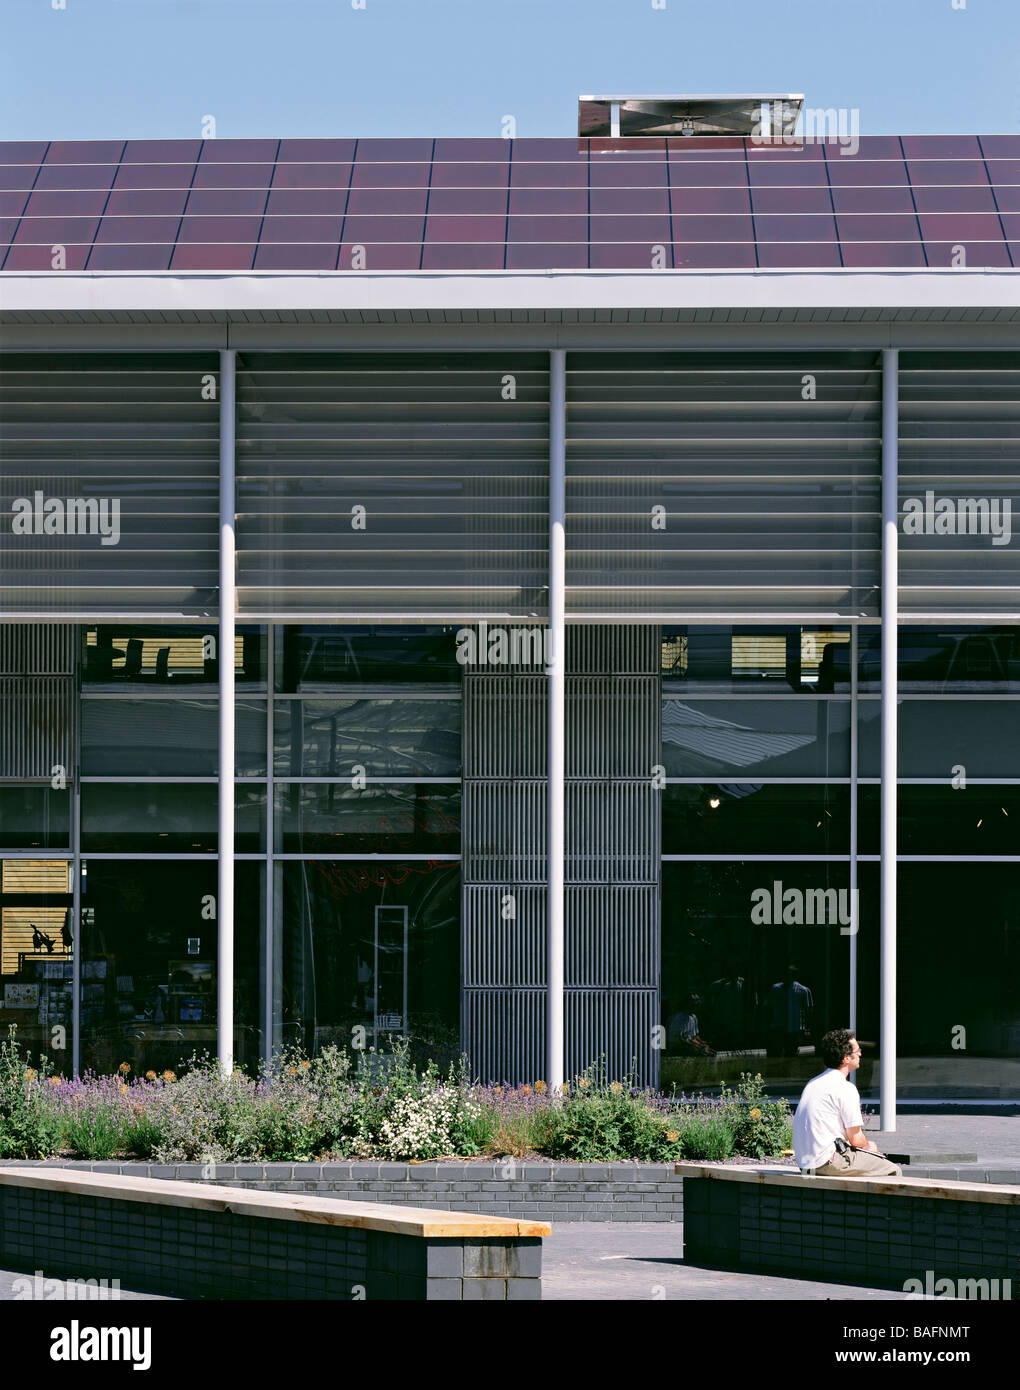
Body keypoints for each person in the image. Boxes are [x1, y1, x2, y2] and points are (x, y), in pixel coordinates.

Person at [792, 1028, 902, 1177]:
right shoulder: (845, 1088)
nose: (860, 1053)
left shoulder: (813, 1083)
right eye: (857, 1051)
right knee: (892, 1170)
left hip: (805, 1164)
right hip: (826, 1162)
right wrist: (870, 1147)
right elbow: (856, 1139)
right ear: (846, 1058)